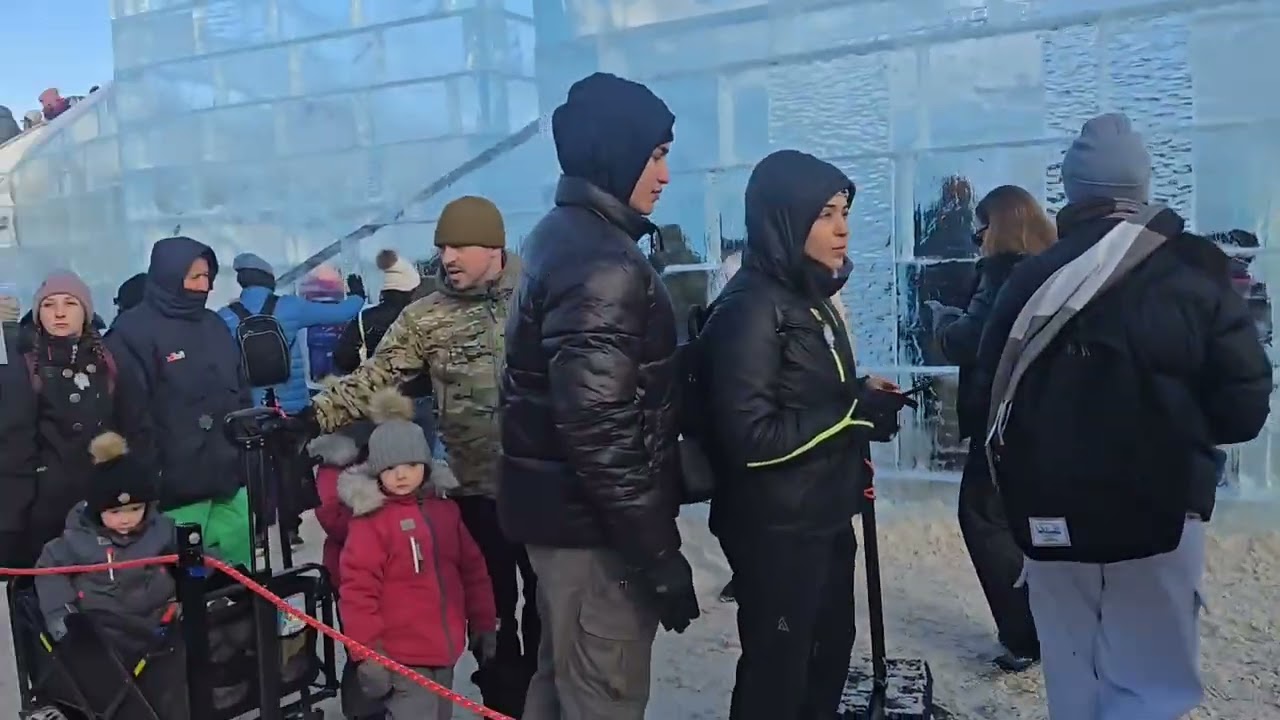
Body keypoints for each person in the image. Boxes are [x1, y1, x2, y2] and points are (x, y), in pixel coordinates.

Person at [973, 113, 1272, 718]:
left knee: (1074, 675)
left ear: (1072, 193)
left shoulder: (1033, 276)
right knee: (1151, 683)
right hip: (1160, 509)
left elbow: (986, 396)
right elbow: (1242, 411)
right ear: (1141, 188)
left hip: (1051, 515)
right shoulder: (1195, 268)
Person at [500, 72, 700, 720]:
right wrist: (659, 555)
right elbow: (602, 431)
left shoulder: (563, 235)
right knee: (601, 697)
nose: (666, 173)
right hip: (593, 537)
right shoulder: (602, 263)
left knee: (560, 688)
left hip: (566, 525)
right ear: (617, 152)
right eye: (658, 153)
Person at [695, 149, 912, 719]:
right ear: (784, 218)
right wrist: (851, 413)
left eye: (844, 212)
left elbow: (810, 395)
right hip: (776, 533)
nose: (842, 228)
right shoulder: (748, 309)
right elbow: (748, 436)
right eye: (825, 214)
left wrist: (863, 395)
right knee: (779, 675)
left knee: (826, 659)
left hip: (822, 515)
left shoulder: (806, 296)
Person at [304, 197, 537, 716]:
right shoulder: (426, 316)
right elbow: (373, 379)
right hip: (477, 494)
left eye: (459, 246)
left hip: (547, 493)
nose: (447, 257)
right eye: (442, 247)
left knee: (552, 614)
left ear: (493, 246)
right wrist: (313, 418)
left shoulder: (541, 296)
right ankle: (506, 702)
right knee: (492, 616)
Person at [925, 184, 1053, 672]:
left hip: (1001, 424)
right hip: (1040, 421)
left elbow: (967, 342)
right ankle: (1050, 625)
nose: (977, 241)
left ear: (996, 227)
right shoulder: (1053, 268)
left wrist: (941, 318)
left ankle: (1024, 636)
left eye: (980, 230)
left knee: (982, 519)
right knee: (1029, 528)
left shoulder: (1003, 274)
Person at [338, 389, 497, 720]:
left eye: (411, 465)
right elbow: (357, 592)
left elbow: (473, 570)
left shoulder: (446, 512)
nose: (401, 474)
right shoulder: (372, 524)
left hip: (446, 649)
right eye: (391, 466)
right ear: (377, 469)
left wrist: (483, 622)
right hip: (402, 658)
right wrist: (368, 655)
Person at [106, 236, 254, 567]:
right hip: (174, 489)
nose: (203, 286)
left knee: (241, 576)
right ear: (168, 277)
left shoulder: (214, 325)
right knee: (189, 582)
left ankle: (244, 616)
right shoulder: (132, 332)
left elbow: (240, 388)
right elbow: (132, 413)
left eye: (207, 278)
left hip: (228, 477)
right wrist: (152, 476)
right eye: (193, 277)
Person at [0, 271, 151, 568]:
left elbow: (137, 428)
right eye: (48, 305)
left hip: (105, 505)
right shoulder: (24, 366)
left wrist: (138, 492)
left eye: (70, 303)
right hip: (45, 510)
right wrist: (12, 520)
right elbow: (15, 448)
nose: (59, 313)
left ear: (85, 311)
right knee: (44, 595)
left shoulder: (111, 360)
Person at [33, 431, 188, 720]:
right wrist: (63, 616)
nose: (127, 518)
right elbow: (48, 569)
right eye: (115, 511)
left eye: (135, 508)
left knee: (200, 641)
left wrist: (218, 570)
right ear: (97, 510)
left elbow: (192, 553)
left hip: (159, 624)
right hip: (108, 632)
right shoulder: (77, 542)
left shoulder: (159, 529)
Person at [218, 252, 364, 547]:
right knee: (292, 465)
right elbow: (341, 313)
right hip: (291, 405)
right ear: (268, 279)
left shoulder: (227, 316)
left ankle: (259, 530)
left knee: (256, 468)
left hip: (252, 407)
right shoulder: (289, 307)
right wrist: (358, 294)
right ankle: (291, 528)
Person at [332, 249, 437, 450]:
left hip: (379, 403)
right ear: (411, 290)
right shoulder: (425, 318)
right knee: (423, 462)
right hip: (420, 402)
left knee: (385, 460)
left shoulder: (364, 319)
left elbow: (342, 359)